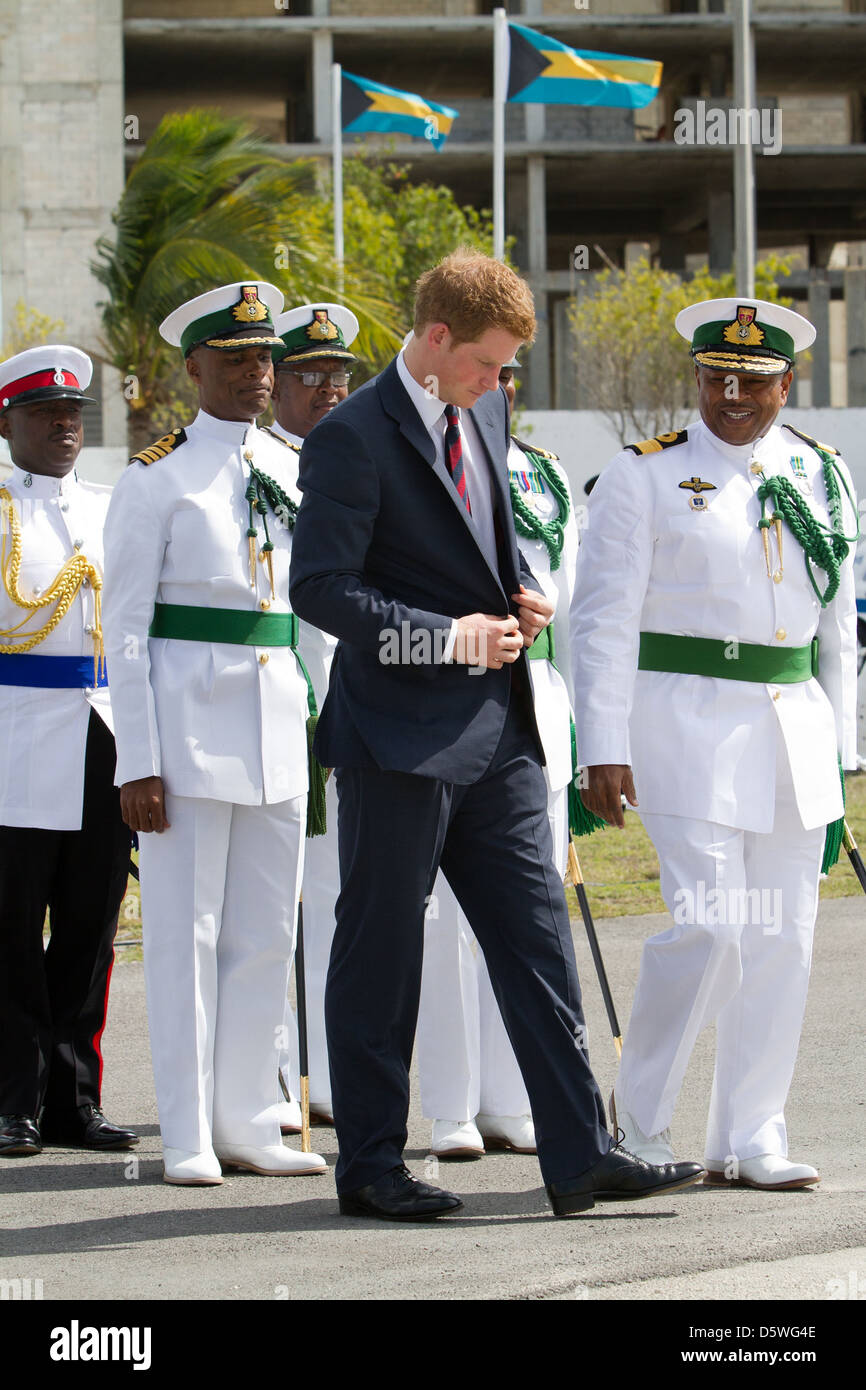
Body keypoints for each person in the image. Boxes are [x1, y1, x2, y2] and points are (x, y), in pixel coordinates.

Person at [290, 249, 703, 1220]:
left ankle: (578, 1155)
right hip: (395, 736)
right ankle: (373, 1166)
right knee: (381, 953)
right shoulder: (351, 436)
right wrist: (445, 636)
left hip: (500, 727)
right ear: (434, 339)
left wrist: (522, 594)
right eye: (484, 362)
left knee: (536, 942)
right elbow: (318, 590)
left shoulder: (479, 411)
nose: (495, 382)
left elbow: (483, 541)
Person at [570, 296, 858, 1190]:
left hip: (790, 730)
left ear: (786, 383)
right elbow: (602, 622)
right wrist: (601, 744)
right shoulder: (643, 475)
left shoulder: (823, 474)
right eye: (717, 378)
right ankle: (642, 1122)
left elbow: (837, 633)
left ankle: (752, 1133)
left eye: (755, 380)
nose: (733, 395)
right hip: (683, 722)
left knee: (783, 935)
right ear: (696, 379)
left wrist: (847, 752)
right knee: (712, 927)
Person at [102, 282, 326, 1186]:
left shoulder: (298, 465)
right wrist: (138, 759)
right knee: (186, 935)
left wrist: (323, 720)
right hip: (187, 736)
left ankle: (247, 1118)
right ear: (192, 368)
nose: (256, 373)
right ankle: (189, 1130)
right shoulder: (155, 477)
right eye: (235, 359)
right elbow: (123, 631)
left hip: (279, 726)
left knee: (266, 932)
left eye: (265, 358)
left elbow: (312, 612)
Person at [415, 358, 578, 1160]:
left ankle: (513, 1100)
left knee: (526, 921)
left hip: (534, 704)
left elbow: (568, 597)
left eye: (514, 372)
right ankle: (450, 1104)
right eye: (487, 368)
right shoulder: (423, 456)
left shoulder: (542, 475)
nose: (501, 385)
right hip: (446, 702)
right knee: (445, 920)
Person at [0, 346, 137, 1157]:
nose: (62, 426)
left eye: (72, 414)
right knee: (10, 926)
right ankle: (11, 1099)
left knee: (91, 925)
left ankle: (71, 1101)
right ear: (7, 422)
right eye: (44, 414)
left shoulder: (111, 506)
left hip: (102, 731)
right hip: (15, 733)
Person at [265, 302, 360, 1134]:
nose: (327, 389)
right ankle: (270, 1073)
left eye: (338, 376)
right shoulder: (258, 465)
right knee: (271, 902)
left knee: (336, 898)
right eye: (308, 376)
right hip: (271, 713)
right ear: (276, 385)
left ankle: (328, 1074)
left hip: (348, 714)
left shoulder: (363, 460)